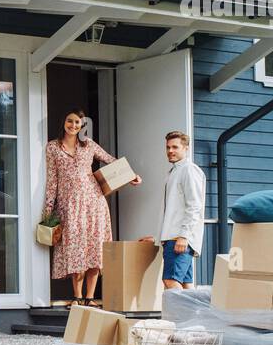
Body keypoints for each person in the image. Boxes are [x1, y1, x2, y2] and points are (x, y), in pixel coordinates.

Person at [43, 109, 140, 307]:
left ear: (82, 125)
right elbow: (52, 180)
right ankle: (77, 297)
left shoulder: (89, 145)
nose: (73, 125)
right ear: (64, 122)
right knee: (75, 247)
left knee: (95, 248)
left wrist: (131, 175)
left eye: (78, 122)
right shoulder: (53, 147)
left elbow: (111, 161)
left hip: (94, 202)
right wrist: (48, 210)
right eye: (70, 121)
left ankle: (90, 297)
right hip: (69, 204)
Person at [139, 130, 206, 289]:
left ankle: (180, 315)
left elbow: (194, 205)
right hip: (174, 237)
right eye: (168, 147)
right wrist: (157, 237)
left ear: (186, 148)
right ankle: (193, 315)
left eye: (175, 147)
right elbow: (171, 212)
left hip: (179, 238)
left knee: (170, 280)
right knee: (185, 283)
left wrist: (184, 236)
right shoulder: (174, 172)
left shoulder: (189, 170)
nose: (170, 151)